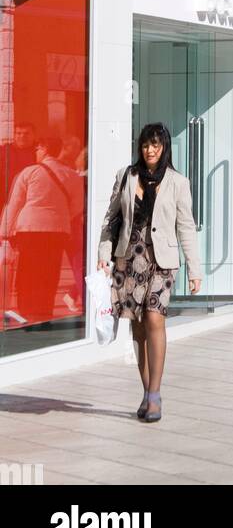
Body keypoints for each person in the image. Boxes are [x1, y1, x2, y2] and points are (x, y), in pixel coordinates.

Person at [97, 123, 201, 422]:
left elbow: (186, 227)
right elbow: (111, 219)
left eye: (155, 144)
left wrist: (195, 270)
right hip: (127, 261)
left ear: (164, 147)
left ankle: (155, 395)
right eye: (145, 145)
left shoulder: (178, 182)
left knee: (155, 318)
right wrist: (104, 255)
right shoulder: (126, 176)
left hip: (161, 262)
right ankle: (145, 392)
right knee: (138, 327)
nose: (150, 150)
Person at [0, 135, 84, 326]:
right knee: (50, 272)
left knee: (27, 272)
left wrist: (4, 232)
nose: (36, 151)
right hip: (57, 230)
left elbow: (14, 204)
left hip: (29, 229)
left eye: (38, 148)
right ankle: (44, 312)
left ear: (44, 149)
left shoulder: (29, 172)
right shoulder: (71, 174)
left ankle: (27, 313)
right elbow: (77, 206)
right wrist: (59, 217)